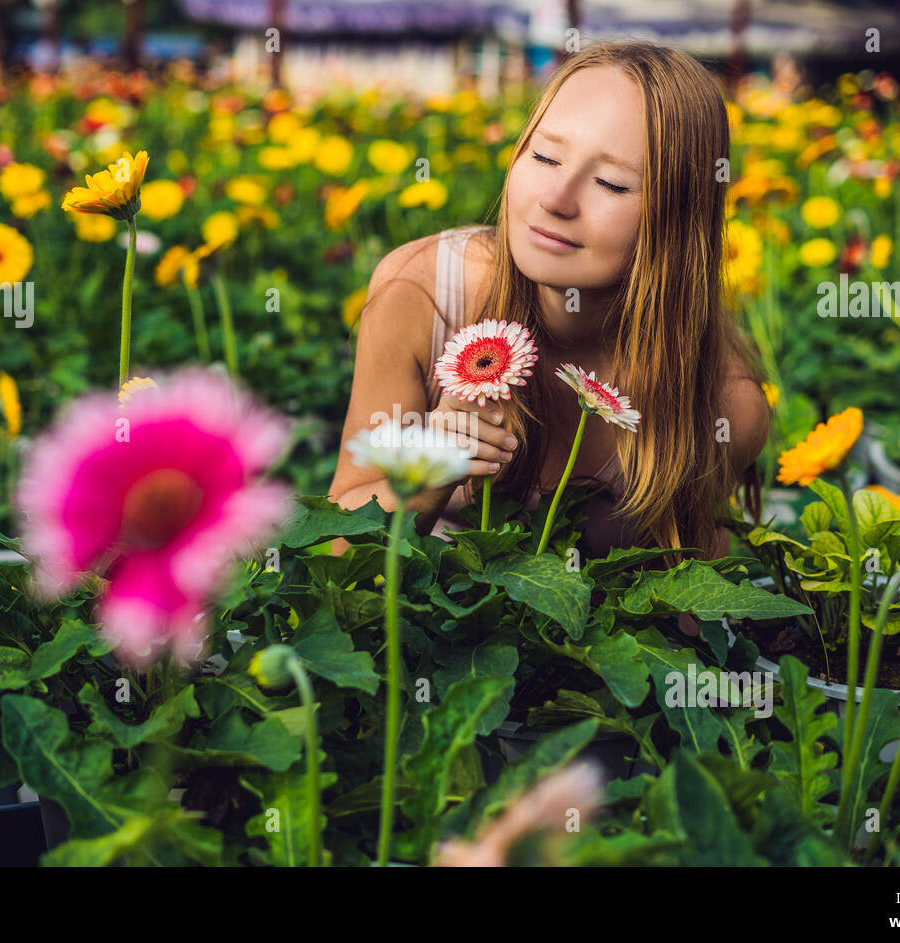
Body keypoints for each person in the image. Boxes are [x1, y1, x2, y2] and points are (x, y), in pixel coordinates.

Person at [327, 40, 770, 563]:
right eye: (544, 155)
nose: (556, 199)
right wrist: (428, 470)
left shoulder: (724, 407)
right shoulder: (421, 294)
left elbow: (692, 609)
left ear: (678, 221)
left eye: (611, 183)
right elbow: (335, 552)